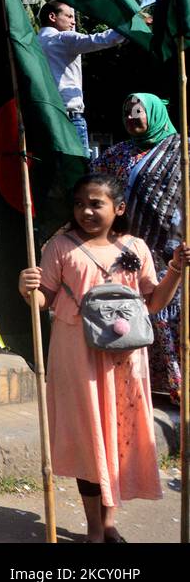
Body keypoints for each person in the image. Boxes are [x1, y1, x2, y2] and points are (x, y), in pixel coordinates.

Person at [19, 173, 188, 542]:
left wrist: (175, 269)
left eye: (96, 203)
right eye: (80, 204)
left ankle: (109, 523)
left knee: (117, 436)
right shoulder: (59, 247)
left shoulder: (137, 248)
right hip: (75, 356)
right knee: (89, 437)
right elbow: (43, 300)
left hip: (125, 361)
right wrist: (27, 288)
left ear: (119, 208)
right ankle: (94, 528)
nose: (87, 211)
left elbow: (154, 302)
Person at [92, 94, 183, 403]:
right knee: (137, 309)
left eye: (138, 112)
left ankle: (177, 383)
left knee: (170, 310)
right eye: (127, 113)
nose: (132, 118)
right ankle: (145, 382)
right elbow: (95, 184)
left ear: (155, 114)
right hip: (128, 248)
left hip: (171, 247)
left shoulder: (181, 149)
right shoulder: (117, 153)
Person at [36, 0, 125, 150]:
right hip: (69, 117)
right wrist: (131, 27)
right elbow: (101, 39)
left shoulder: (33, 43)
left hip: (42, 116)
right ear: (52, 17)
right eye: (69, 16)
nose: (73, 22)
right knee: (78, 169)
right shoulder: (63, 38)